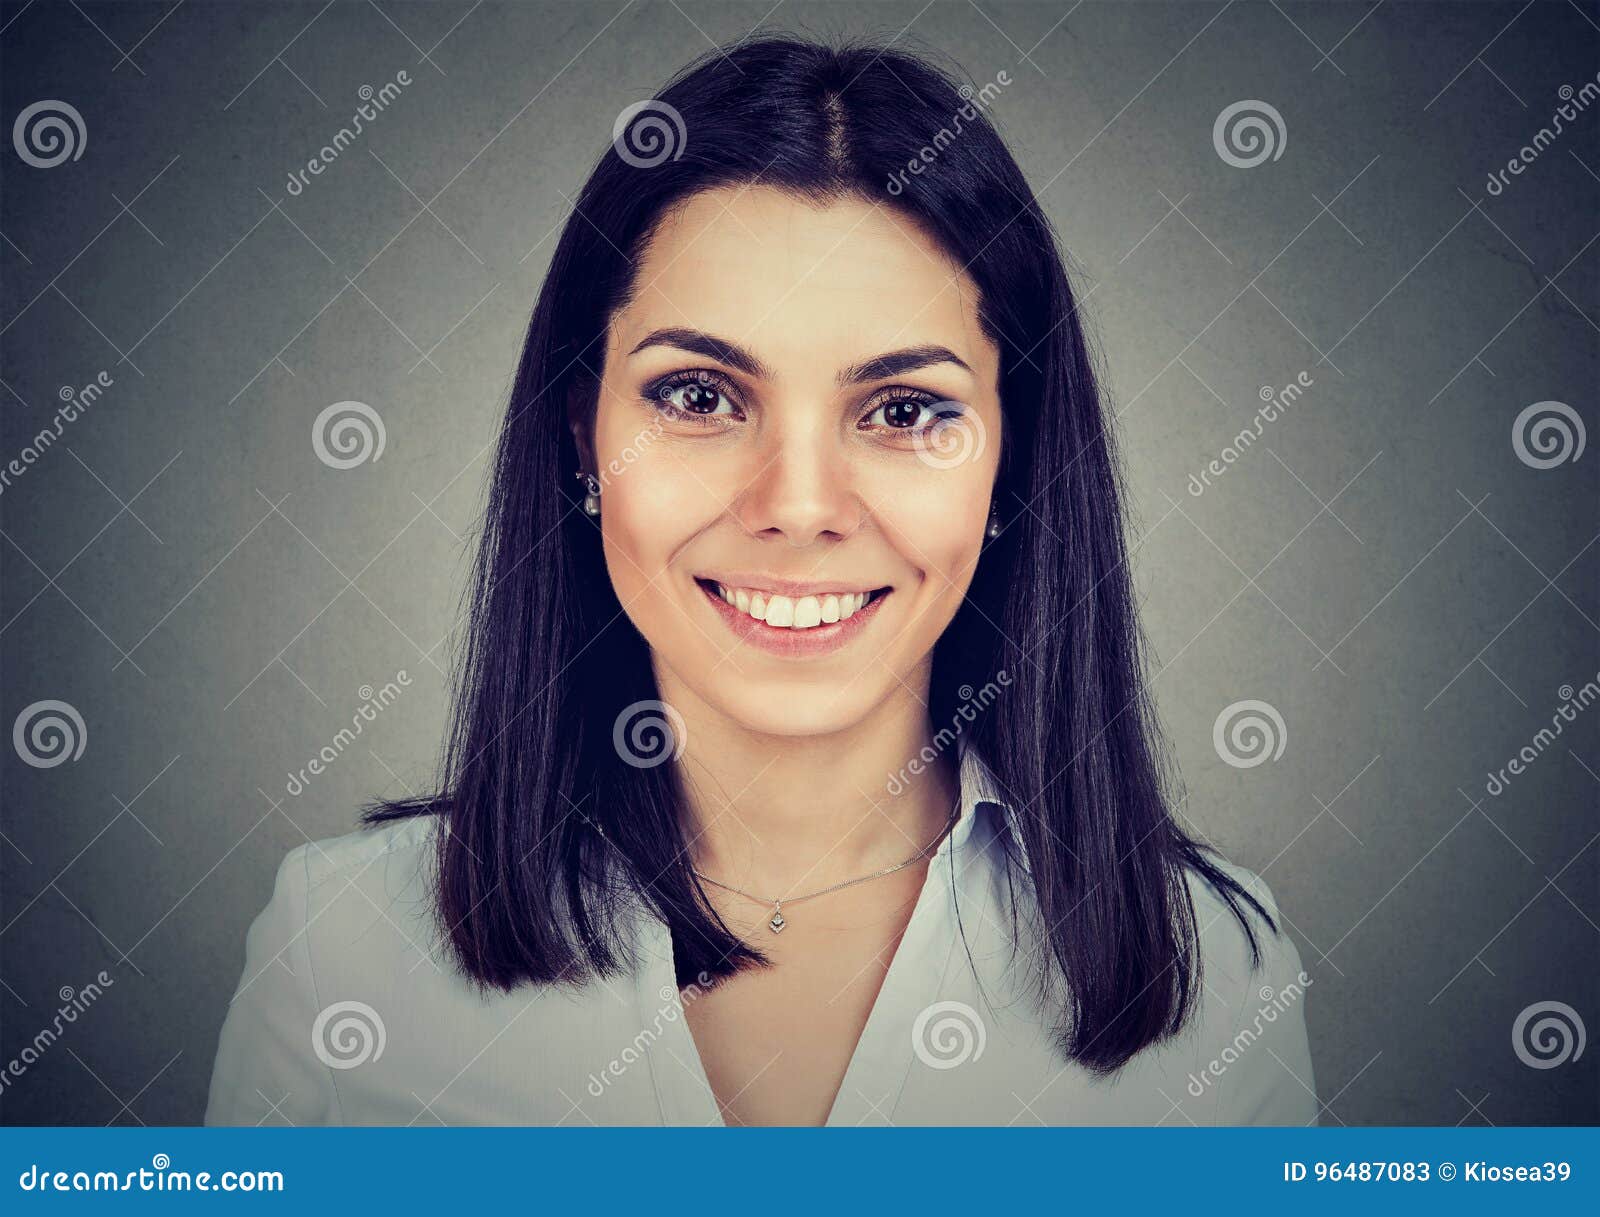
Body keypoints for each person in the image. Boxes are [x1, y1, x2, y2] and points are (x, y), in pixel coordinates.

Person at [206, 35, 1316, 1127]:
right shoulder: (342, 948)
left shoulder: (1218, 967)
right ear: (580, 441)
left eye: (901, 410)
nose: (797, 502)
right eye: (697, 396)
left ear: (1010, 461)